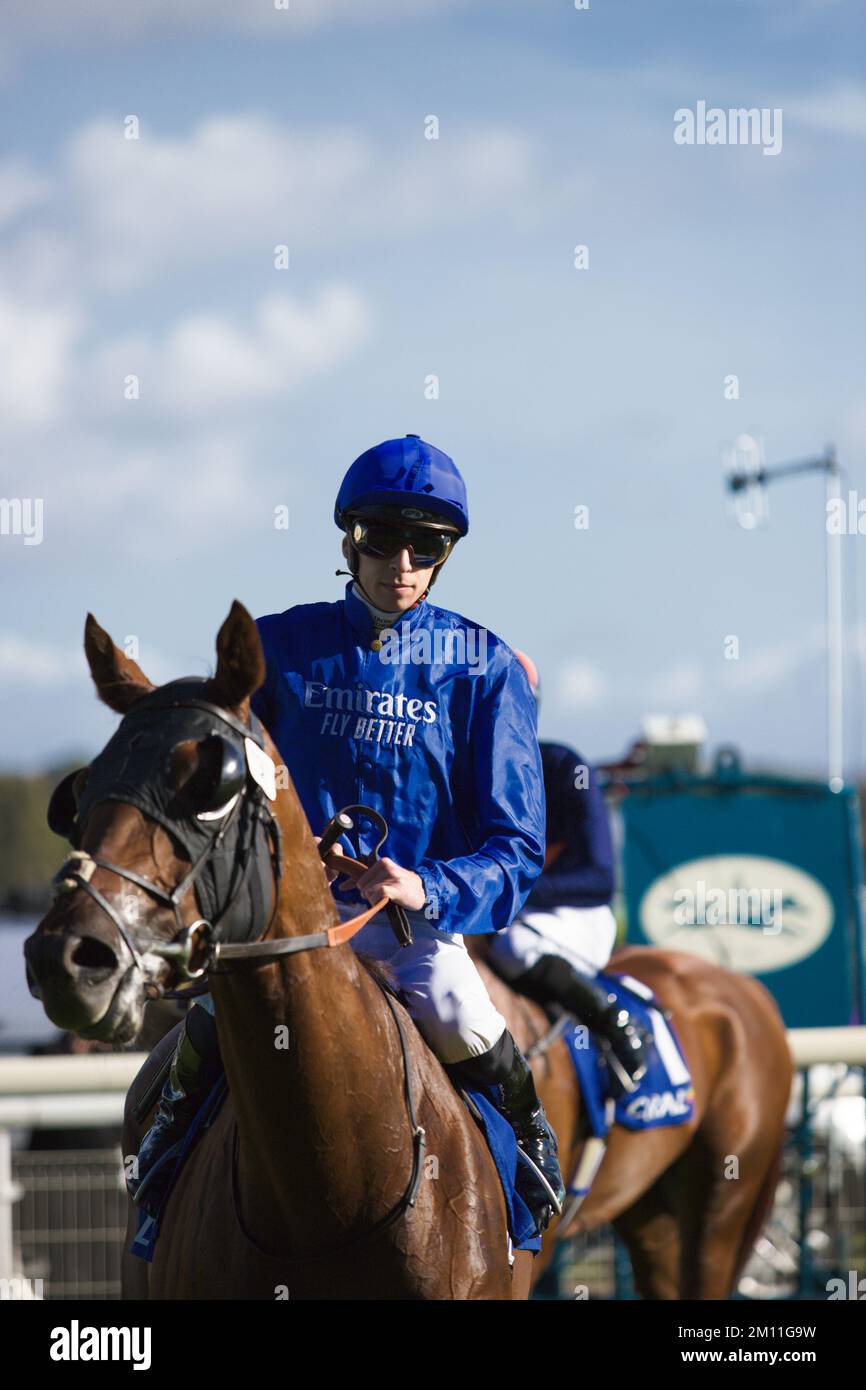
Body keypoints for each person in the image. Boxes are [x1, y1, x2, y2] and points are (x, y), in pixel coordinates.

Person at [130, 434, 565, 1230]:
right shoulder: (273, 648)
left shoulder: (486, 669)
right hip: (286, 927)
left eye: (425, 545)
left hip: (411, 932)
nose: (401, 561)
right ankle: (161, 1168)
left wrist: (423, 884)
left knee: (466, 1015)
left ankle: (528, 1169)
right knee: (208, 1027)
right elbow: (219, 795)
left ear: (445, 555)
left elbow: (518, 848)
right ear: (348, 540)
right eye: (382, 539)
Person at [487, 651, 652, 1096]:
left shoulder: (567, 770)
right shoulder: (464, 780)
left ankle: (618, 1024)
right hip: (501, 912)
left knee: (514, 947)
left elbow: (600, 878)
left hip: (574, 915)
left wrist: (513, 892)